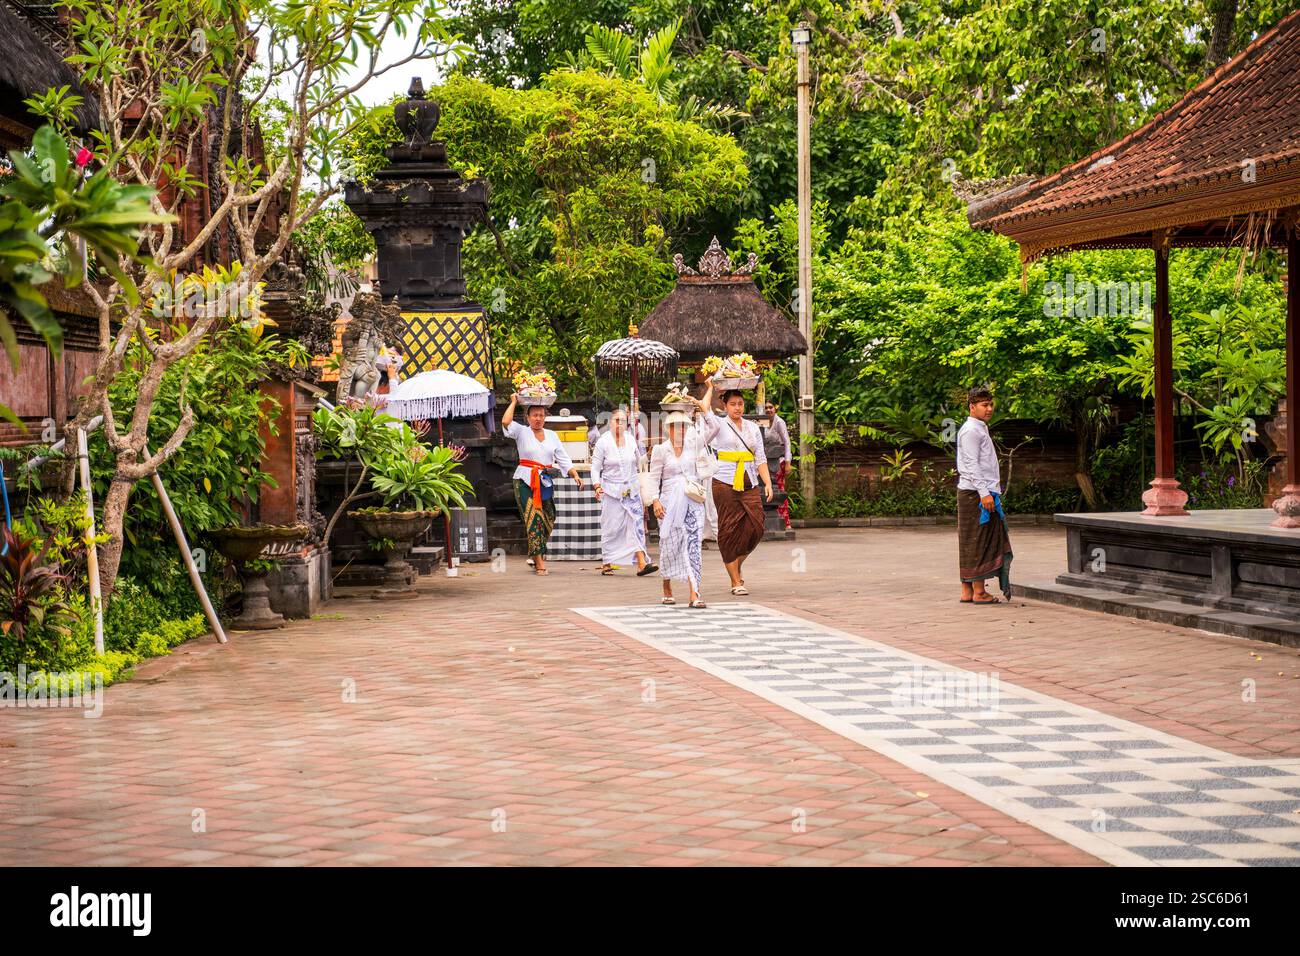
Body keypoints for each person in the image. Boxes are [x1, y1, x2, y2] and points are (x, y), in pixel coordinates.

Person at [648, 384, 718, 607]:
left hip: (692, 500)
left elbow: (715, 428)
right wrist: (655, 501)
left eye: (682, 426)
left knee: (693, 543)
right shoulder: (660, 450)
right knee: (669, 544)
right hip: (668, 503)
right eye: (674, 426)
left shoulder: (694, 444)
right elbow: (652, 478)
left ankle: (694, 592)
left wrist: (701, 407)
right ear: (667, 429)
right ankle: (666, 585)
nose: (678, 430)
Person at [502, 394, 584, 575]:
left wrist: (575, 474)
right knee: (533, 518)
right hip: (524, 479)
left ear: (545, 417)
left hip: (544, 480)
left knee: (549, 516)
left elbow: (563, 458)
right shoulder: (521, 431)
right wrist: (514, 401)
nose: (538, 418)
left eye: (541, 415)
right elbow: (506, 421)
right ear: (528, 418)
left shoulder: (552, 435)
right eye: (534, 415)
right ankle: (539, 562)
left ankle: (534, 552)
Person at [710, 390, 773, 595]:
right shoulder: (718, 424)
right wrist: (710, 387)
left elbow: (760, 458)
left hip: (749, 480)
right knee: (728, 529)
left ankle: (736, 563)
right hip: (724, 481)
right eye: (733, 404)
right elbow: (704, 414)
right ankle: (735, 581)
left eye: (740, 404)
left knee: (757, 525)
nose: (737, 408)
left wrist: (768, 483)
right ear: (725, 406)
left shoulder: (753, 428)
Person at [956, 385, 1013, 604]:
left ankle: (968, 590)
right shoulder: (971, 430)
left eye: (990, 404)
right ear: (972, 407)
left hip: (977, 491)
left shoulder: (979, 427)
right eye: (984, 405)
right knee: (979, 540)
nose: (989, 409)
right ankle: (979, 592)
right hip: (976, 493)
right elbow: (971, 464)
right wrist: (984, 493)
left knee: (970, 540)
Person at [591, 407, 656, 576]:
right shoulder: (603, 442)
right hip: (611, 490)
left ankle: (641, 563)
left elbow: (637, 462)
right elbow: (595, 468)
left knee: (635, 525)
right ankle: (607, 562)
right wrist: (597, 485)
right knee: (611, 527)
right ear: (610, 422)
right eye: (617, 420)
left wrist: (649, 455)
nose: (620, 424)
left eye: (623, 421)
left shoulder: (630, 440)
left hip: (631, 490)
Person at [764, 401, 793, 530]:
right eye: (765, 408)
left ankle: (786, 523)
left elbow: (787, 442)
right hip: (765, 462)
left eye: (770, 407)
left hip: (779, 461)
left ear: (775, 408)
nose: (768, 410)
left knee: (779, 490)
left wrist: (787, 462)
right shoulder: (760, 422)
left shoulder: (779, 422)